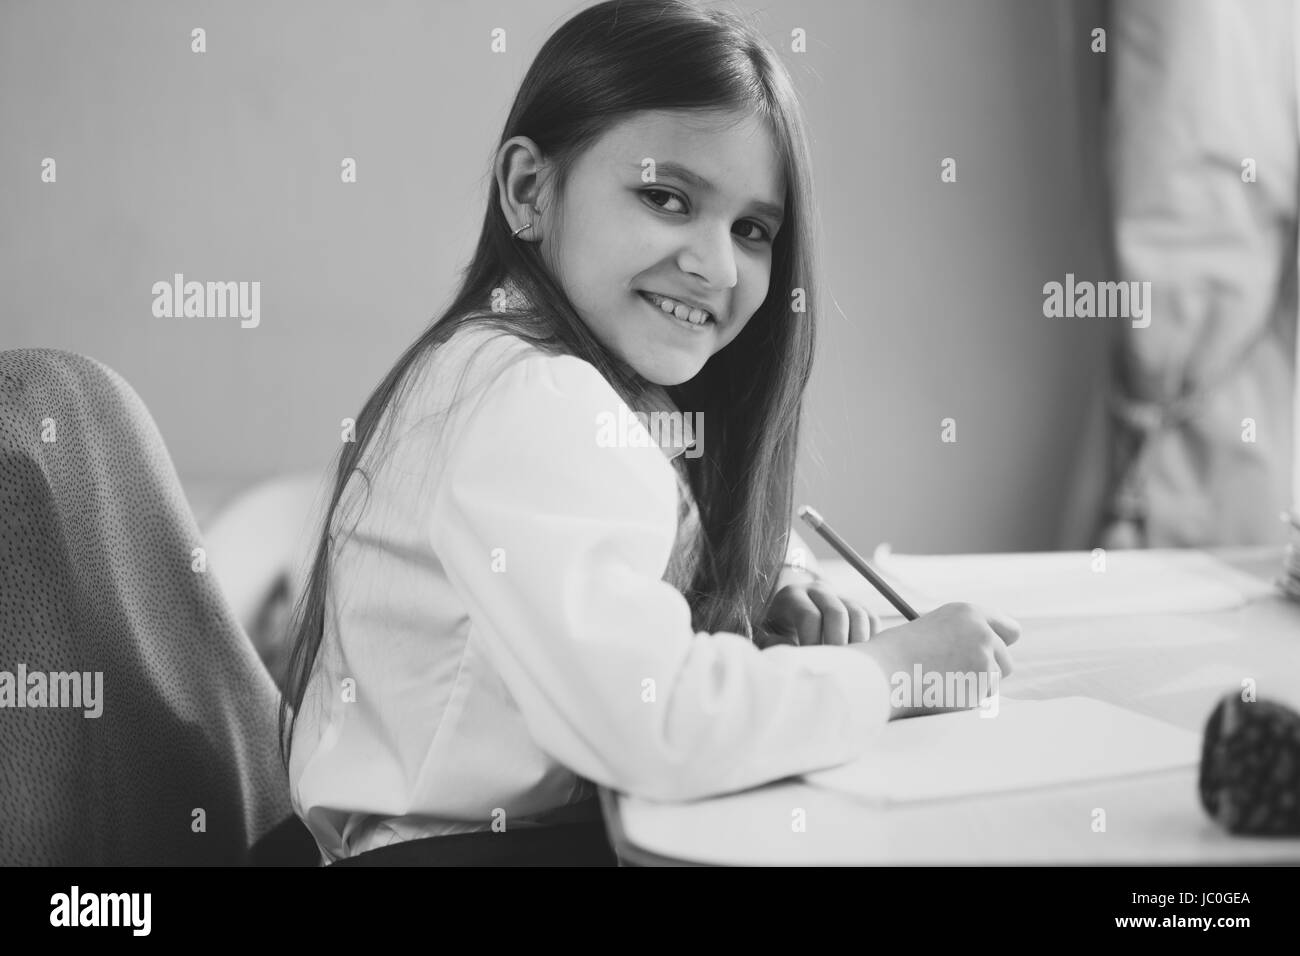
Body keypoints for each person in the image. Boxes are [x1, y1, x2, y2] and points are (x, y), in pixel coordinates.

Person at [280, 0, 1021, 866]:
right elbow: (658, 721)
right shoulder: (533, 402)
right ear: (529, 189)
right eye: (666, 198)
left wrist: (779, 570)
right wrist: (898, 671)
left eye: (752, 229)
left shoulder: (536, 374)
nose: (715, 264)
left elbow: (644, 528)